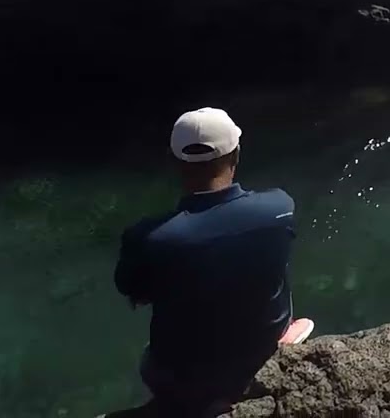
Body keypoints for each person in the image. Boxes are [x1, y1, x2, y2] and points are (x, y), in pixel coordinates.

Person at [114, 108, 296, 417]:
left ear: (175, 163)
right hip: (261, 354)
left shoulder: (150, 237)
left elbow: (131, 288)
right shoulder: (280, 207)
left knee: (151, 355)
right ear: (236, 154)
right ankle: (278, 339)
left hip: (182, 379)